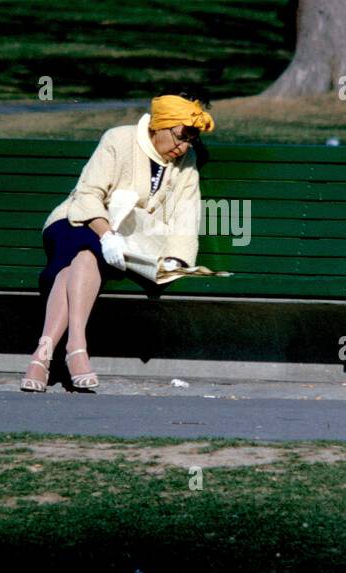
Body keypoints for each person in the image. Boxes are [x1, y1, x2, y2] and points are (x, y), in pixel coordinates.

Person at [21, 94, 215, 393]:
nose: (185, 146)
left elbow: (185, 216)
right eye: (181, 136)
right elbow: (87, 195)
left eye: (192, 140)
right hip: (77, 221)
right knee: (86, 249)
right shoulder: (119, 139)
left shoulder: (186, 163)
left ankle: (43, 354)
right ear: (160, 127)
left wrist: (176, 259)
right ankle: (77, 347)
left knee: (84, 260)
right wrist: (107, 235)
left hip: (122, 238)